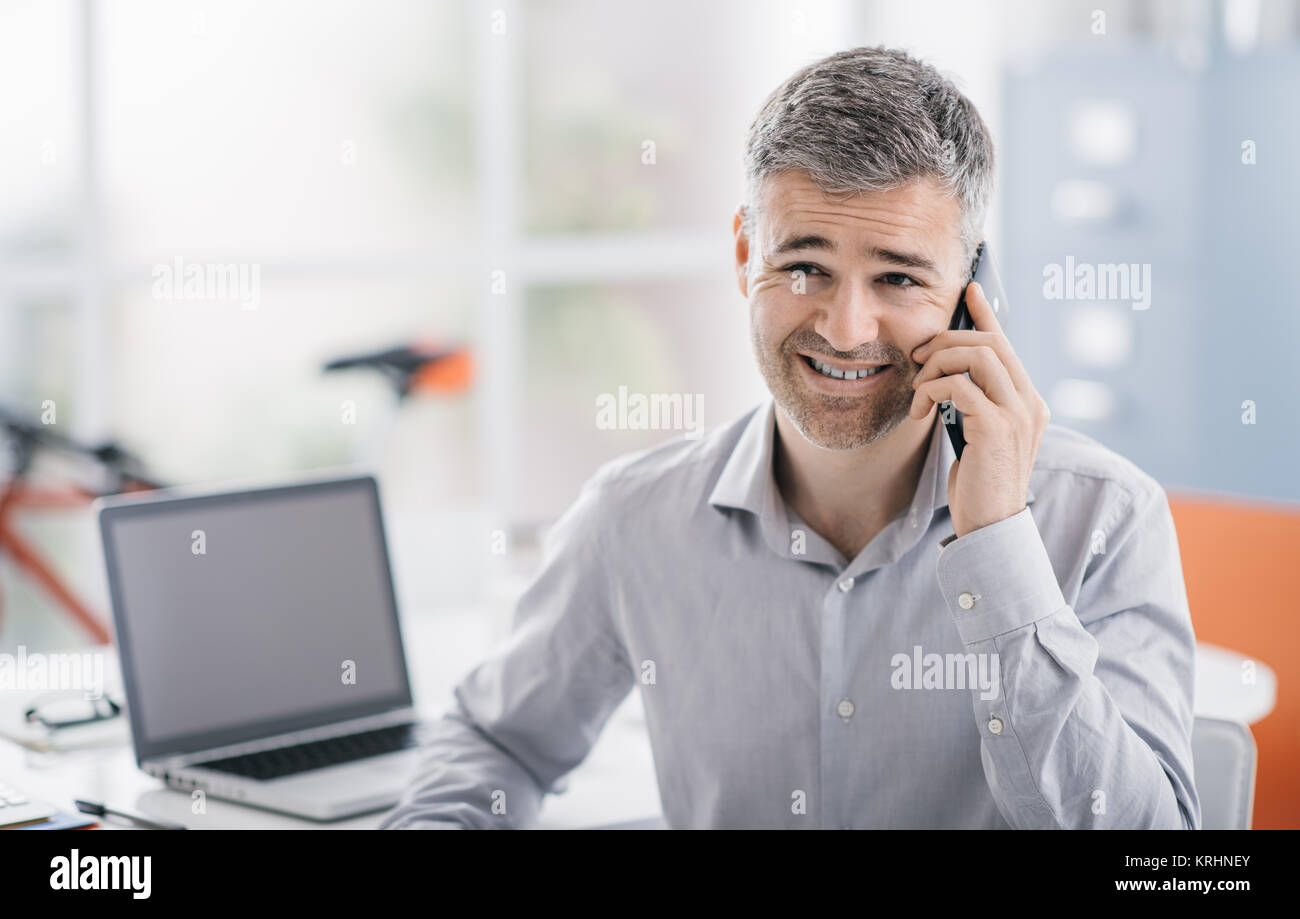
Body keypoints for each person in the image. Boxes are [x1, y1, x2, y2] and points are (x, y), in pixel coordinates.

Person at [380, 45, 1199, 830]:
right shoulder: (635, 518)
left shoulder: (1105, 520)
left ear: (973, 289)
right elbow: (496, 741)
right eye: (805, 267)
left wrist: (1001, 547)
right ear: (745, 254)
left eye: (899, 277)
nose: (846, 329)